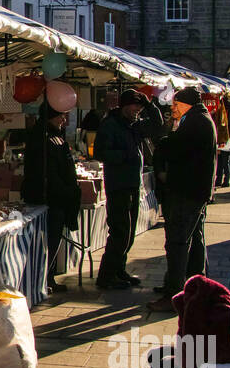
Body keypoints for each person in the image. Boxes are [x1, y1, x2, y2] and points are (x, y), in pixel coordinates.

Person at [147, 86, 217, 312]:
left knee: (177, 242)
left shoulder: (196, 122)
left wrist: (164, 139)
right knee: (194, 242)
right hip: (195, 190)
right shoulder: (199, 119)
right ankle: (193, 289)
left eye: (176, 105)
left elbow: (175, 148)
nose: (173, 109)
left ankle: (175, 295)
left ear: (186, 104)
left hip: (187, 192)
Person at [93, 88, 166, 290]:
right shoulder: (110, 125)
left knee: (129, 231)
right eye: (135, 108)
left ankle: (119, 269)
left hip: (133, 184)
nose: (138, 112)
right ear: (125, 106)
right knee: (120, 231)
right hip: (118, 185)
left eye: (140, 109)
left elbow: (158, 126)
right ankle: (107, 276)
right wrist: (125, 156)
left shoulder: (133, 125)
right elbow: (100, 152)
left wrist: (150, 105)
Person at [21, 100, 81, 295]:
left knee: (53, 239)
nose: (64, 120)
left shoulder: (53, 135)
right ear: (51, 116)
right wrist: (64, 190)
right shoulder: (43, 137)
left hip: (56, 196)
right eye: (61, 116)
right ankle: (45, 278)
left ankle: (48, 276)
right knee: (49, 240)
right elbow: (47, 171)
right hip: (49, 197)